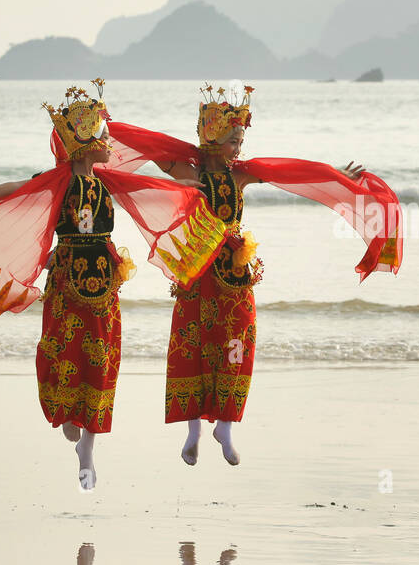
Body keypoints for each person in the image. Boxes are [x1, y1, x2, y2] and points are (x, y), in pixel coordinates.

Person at [0, 80, 221, 490]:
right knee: (61, 347)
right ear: (84, 144)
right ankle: (69, 414)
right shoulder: (58, 181)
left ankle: (88, 446)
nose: (111, 141)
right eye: (104, 136)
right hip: (67, 278)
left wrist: (188, 189)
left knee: (102, 357)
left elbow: (150, 187)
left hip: (104, 281)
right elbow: (16, 190)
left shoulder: (108, 180)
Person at [153, 83, 404, 467]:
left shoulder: (241, 176)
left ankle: (226, 425)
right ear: (213, 137)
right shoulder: (187, 170)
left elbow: (288, 173)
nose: (239, 148)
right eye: (234, 140)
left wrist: (332, 173)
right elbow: (149, 153)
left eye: (241, 140)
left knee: (237, 342)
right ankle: (192, 430)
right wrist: (103, 138)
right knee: (195, 343)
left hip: (235, 273)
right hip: (197, 270)